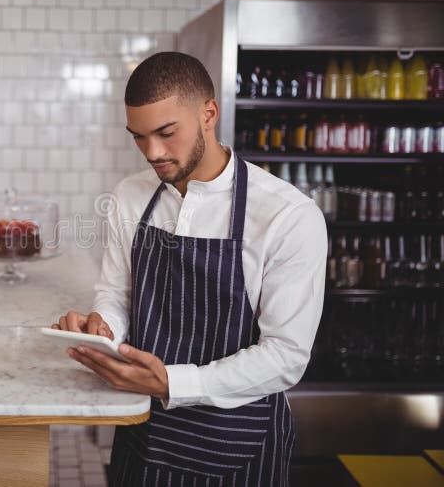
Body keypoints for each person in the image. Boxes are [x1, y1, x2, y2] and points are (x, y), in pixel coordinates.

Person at [53, 52, 326, 486]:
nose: (152, 153)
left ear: (208, 113)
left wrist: (172, 383)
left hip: (238, 444)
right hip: (145, 433)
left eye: (165, 133)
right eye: (138, 137)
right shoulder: (130, 196)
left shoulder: (288, 215)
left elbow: (286, 357)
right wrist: (104, 329)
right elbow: (117, 294)